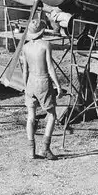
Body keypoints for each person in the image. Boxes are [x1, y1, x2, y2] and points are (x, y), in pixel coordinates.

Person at [19, 18, 63, 161]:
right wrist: (58, 85)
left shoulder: (25, 47)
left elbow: (24, 70)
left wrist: (25, 87)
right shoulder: (46, 45)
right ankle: (45, 148)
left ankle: (31, 151)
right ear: (42, 32)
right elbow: (50, 67)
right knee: (51, 115)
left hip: (31, 82)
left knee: (31, 117)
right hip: (43, 81)